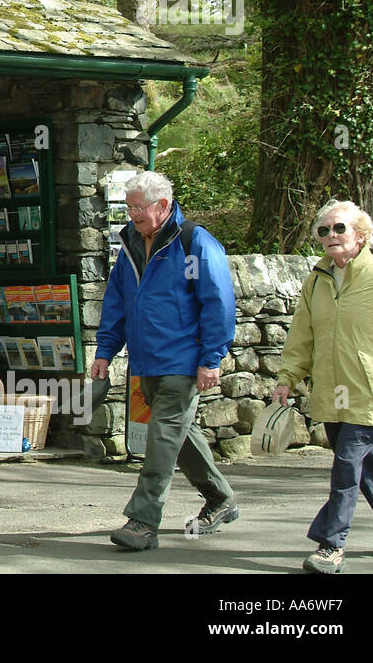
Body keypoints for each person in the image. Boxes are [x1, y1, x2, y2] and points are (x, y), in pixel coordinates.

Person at [91, 170, 238, 551]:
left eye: (138, 207)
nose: (133, 215)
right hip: (146, 362)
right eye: (129, 208)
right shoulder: (130, 247)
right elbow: (116, 302)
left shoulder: (196, 243)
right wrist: (105, 351)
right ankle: (221, 498)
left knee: (160, 439)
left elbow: (218, 302)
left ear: (163, 205)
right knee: (178, 434)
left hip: (182, 362)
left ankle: (143, 521)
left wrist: (211, 358)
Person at [272, 199, 373, 574]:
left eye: (339, 228)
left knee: (345, 467)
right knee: (362, 466)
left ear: (361, 235)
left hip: (367, 391)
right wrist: (287, 378)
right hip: (329, 390)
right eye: (323, 230)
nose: (330, 236)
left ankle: (331, 545)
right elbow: (301, 337)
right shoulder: (316, 280)